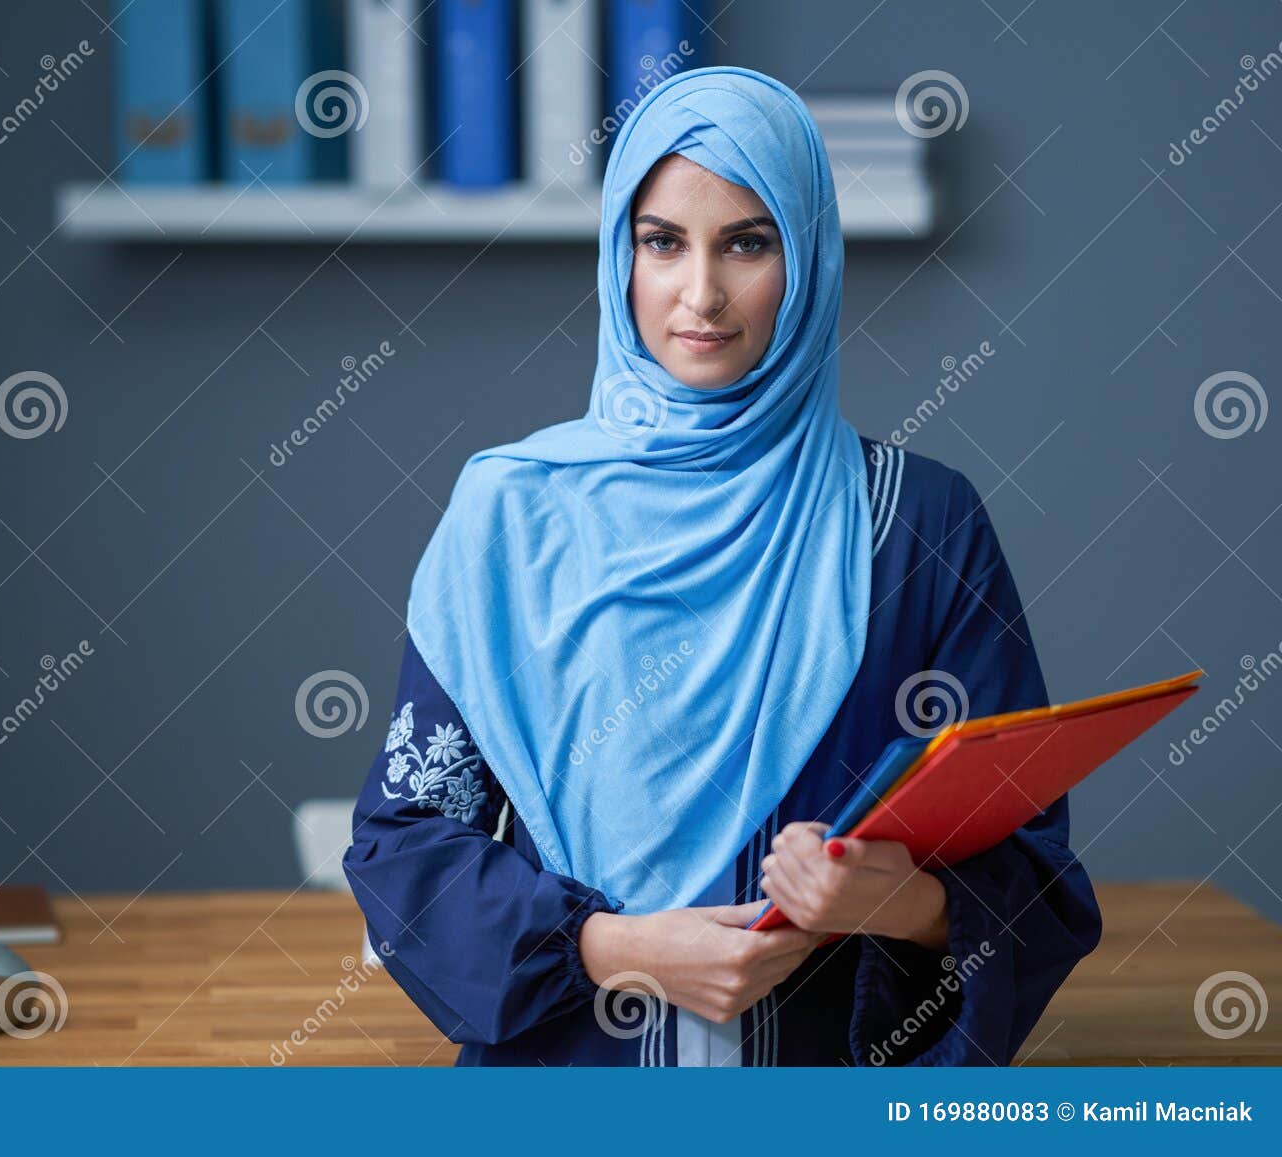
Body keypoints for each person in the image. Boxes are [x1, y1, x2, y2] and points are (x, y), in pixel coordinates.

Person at [342, 66, 1103, 1067]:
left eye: (747, 241)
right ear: (621, 254)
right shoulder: (512, 515)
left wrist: (905, 904)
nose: (699, 293)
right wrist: (610, 947)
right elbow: (406, 847)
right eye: (662, 242)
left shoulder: (916, 521)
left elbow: (1034, 872)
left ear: (812, 258)